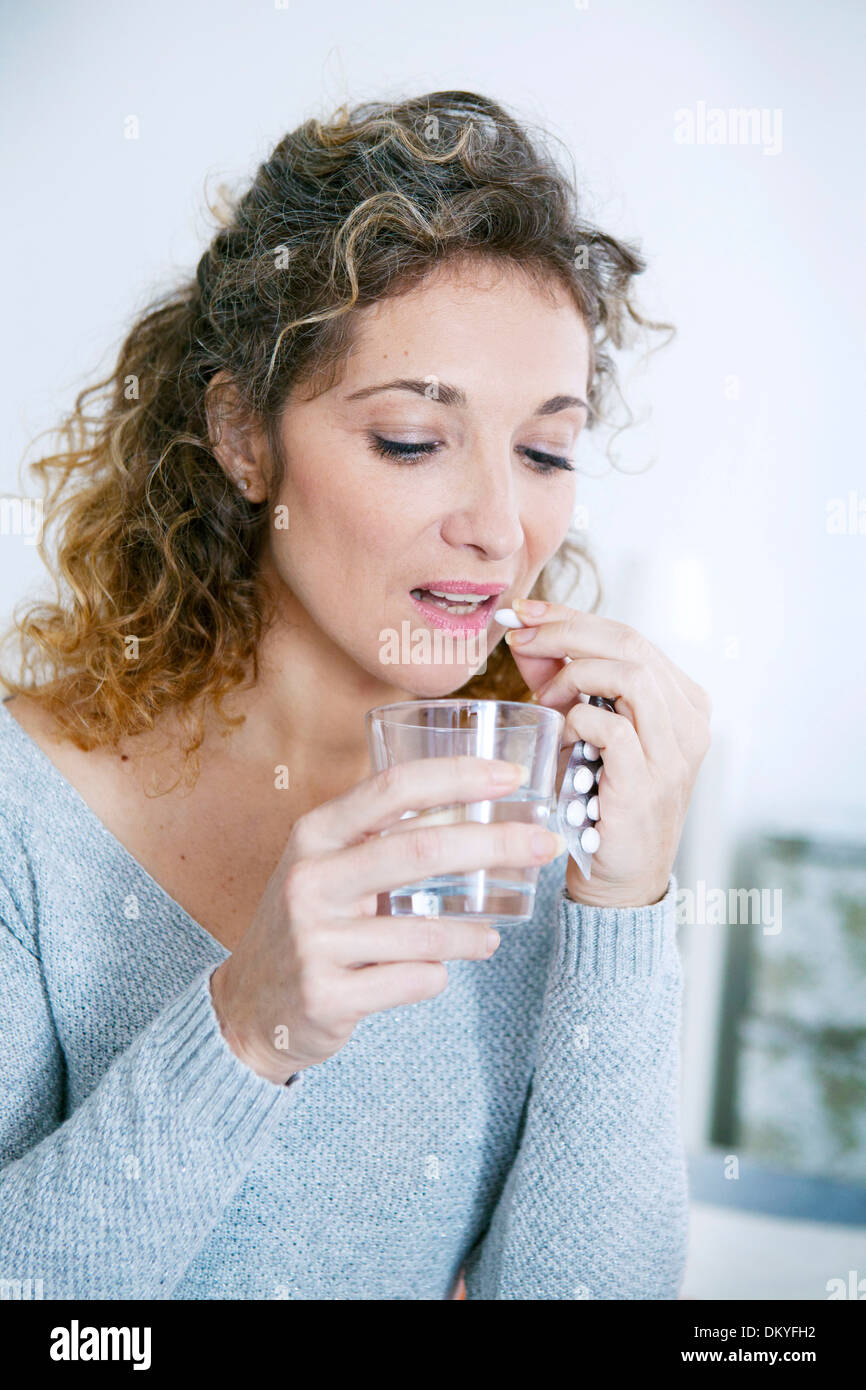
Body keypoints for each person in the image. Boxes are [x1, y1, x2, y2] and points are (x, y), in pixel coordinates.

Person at [0, 90, 711, 1299]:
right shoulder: (30, 813)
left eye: (544, 452)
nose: (498, 526)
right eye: (408, 439)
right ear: (242, 436)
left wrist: (626, 904)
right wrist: (244, 1028)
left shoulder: (545, 836)